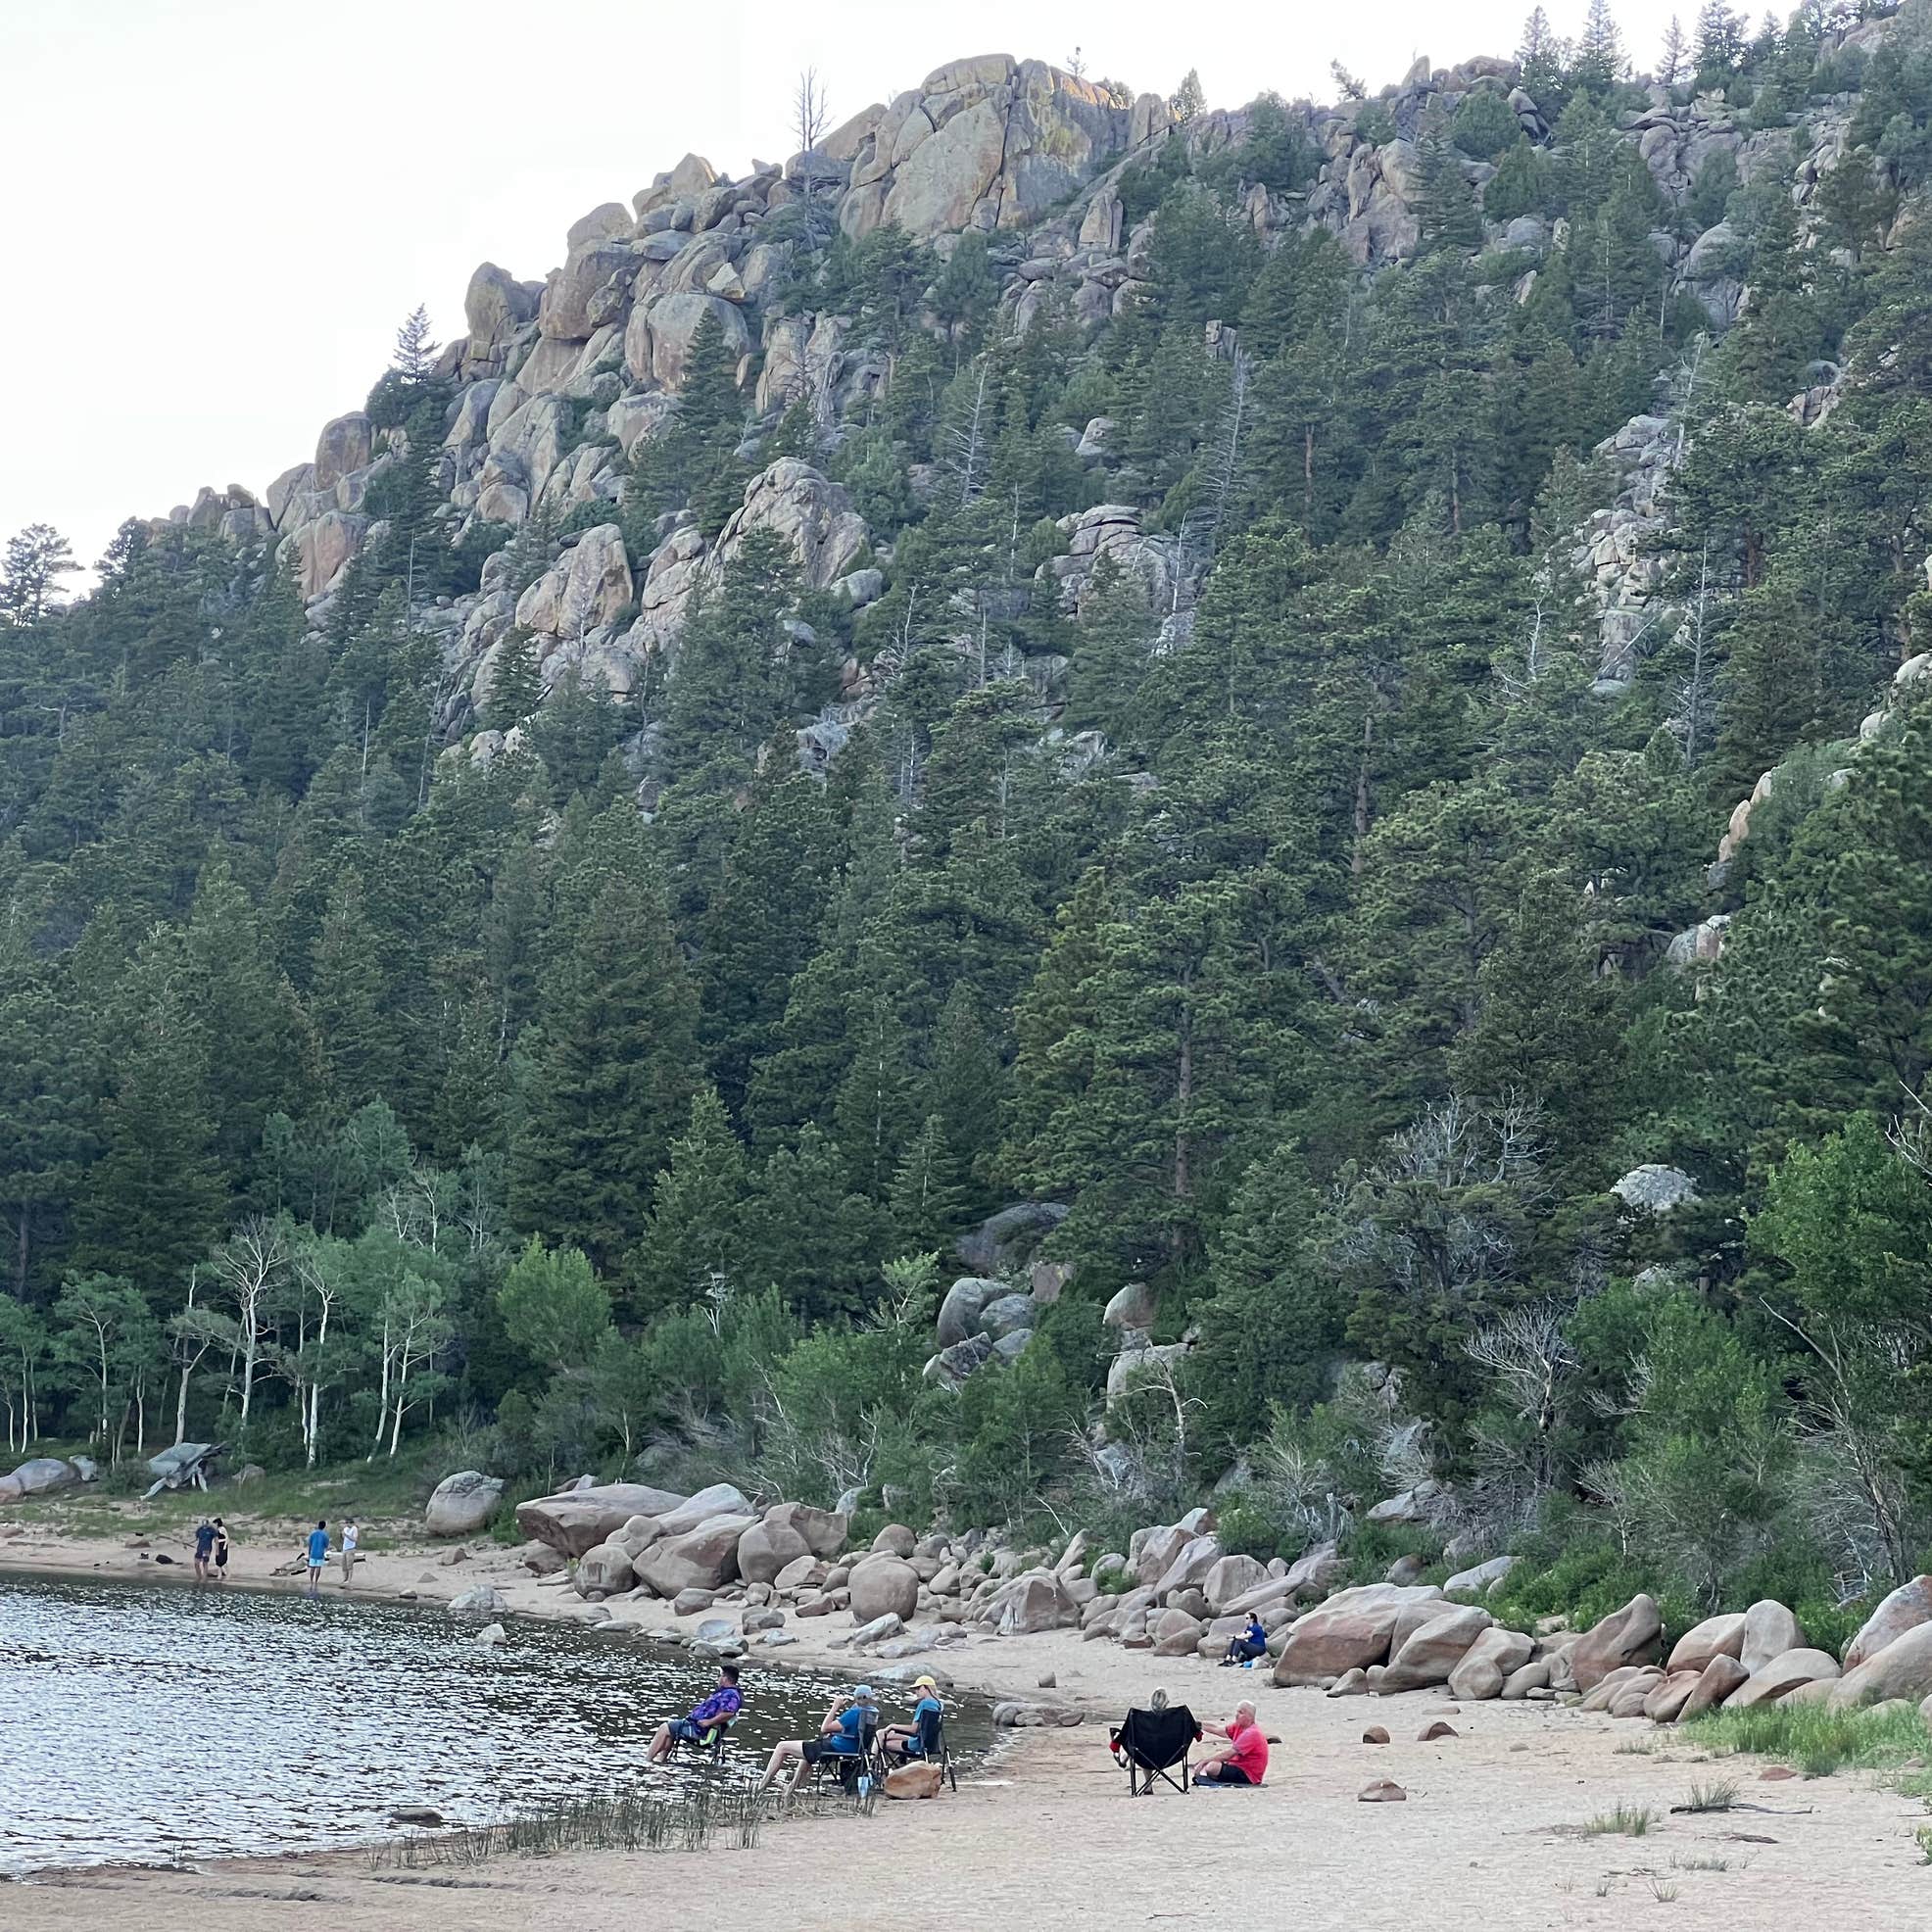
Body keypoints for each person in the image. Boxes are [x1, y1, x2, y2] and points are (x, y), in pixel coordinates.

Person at [754, 1685, 875, 1796]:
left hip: (836, 1748)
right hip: (852, 1748)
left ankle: (760, 1788)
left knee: (782, 1747)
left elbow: (825, 1728)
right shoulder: (871, 1711)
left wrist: (835, 1707)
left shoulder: (854, 1713)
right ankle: (790, 1789)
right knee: (807, 1752)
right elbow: (855, 1731)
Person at [645, 1664, 744, 1762]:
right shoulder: (726, 1693)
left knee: (664, 1728)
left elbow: (729, 1713)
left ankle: (647, 1760)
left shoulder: (731, 1694)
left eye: (720, 1676)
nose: (718, 1678)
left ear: (725, 1678)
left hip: (700, 1731)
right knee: (670, 1733)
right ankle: (661, 1761)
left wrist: (708, 1722)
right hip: (696, 1726)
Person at [1194, 1700, 1269, 1786]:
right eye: (1237, 1712)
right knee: (1208, 1766)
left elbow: (1229, 1754)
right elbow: (1218, 1730)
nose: (1237, 1715)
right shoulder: (1238, 1726)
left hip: (1249, 1774)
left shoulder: (1252, 1733)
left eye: (1241, 1713)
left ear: (1250, 1717)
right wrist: (1199, 1725)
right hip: (1237, 1766)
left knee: (1212, 1767)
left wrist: (1204, 1762)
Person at [881, 1675, 943, 1761]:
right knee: (885, 1734)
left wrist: (893, 1726)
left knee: (882, 1739)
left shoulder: (924, 1704)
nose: (916, 1692)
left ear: (925, 1687)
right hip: (931, 1745)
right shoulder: (939, 1705)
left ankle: (870, 1764)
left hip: (917, 1746)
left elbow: (913, 1730)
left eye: (918, 1688)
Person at [304, 1519, 330, 1599]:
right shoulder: (325, 1535)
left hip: (313, 1553)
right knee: (318, 1567)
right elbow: (326, 1545)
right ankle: (316, 1581)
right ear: (324, 1527)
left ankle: (311, 1581)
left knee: (312, 1567)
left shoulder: (313, 1534)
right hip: (320, 1553)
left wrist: (309, 1553)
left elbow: (310, 1544)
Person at [192, 1518, 217, 1584]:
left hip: (207, 1549)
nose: (205, 1526)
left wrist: (218, 1549)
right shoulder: (199, 1530)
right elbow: (196, 1538)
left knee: (205, 1563)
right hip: (199, 1548)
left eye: (206, 1524)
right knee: (196, 1563)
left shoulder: (211, 1530)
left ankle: (204, 1577)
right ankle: (198, 1576)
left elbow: (216, 1539)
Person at [339, 1520, 360, 1590]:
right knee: (344, 1565)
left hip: (351, 1549)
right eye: (346, 1523)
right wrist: (342, 1535)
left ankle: (349, 1580)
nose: (347, 1525)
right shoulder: (345, 1529)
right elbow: (344, 1539)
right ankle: (345, 1579)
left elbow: (354, 1539)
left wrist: (347, 1535)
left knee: (349, 1565)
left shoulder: (354, 1529)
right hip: (345, 1548)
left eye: (348, 1523)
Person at [212, 1518, 231, 1582]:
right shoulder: (216, 1530)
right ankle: (220, 1575)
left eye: (215, 1523)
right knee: (218, 1560)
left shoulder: (222, 1529)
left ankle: (228, 1573)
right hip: (218, 1545)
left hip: (223, 1545)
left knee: (223, 1559)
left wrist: (225, 1546)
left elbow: (227, 1538)